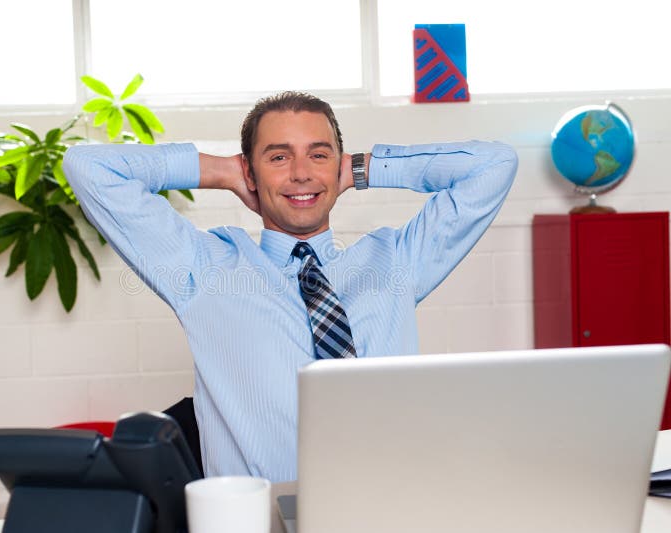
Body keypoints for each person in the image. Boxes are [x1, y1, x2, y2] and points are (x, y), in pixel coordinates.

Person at [63, 91, 518, 482]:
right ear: (252, 172)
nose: (301, 173)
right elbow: (88, 166)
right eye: (279, 157)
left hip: (385, 511)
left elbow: (496, 164)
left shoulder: (397, 262)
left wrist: (364, 168)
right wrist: (222, 171)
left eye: (318, 155)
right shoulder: (202, 268)